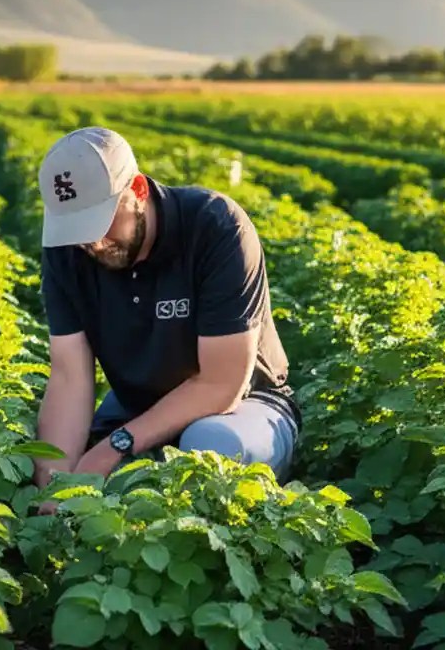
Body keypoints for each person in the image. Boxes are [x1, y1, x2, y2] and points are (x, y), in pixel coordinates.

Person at [32, 126, 301, 503]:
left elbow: (221, 386)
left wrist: (113, 448)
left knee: (208, 449)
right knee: (60, 462)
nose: (91, 243)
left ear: (138, 190)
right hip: (138, 408)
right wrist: (54, 484)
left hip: (243, 406)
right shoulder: (69, 250)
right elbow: (68, 376)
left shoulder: (216, 228)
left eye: (100, 223)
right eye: (77, 228)